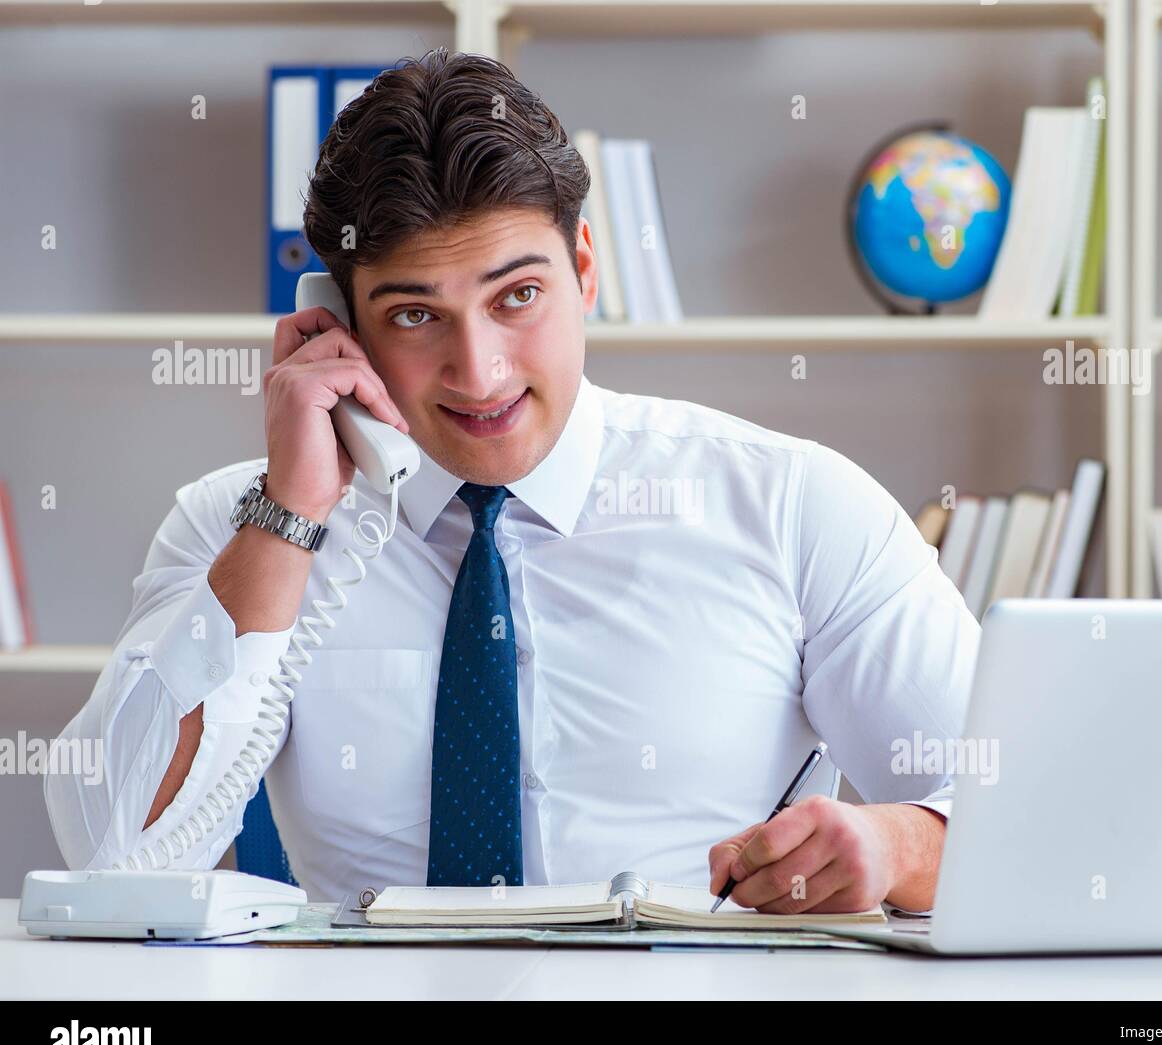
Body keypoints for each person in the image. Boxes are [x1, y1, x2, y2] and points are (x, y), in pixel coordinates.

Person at [46, 48, 979, 915]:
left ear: (583, 269)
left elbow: (1034, 800)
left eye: (516, 297)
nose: (479, 371)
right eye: (416, 315)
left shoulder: (793, 505)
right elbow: (112, 855)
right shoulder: (236, 524)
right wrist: (288, 519)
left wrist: (899, 845)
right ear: (338, 325)